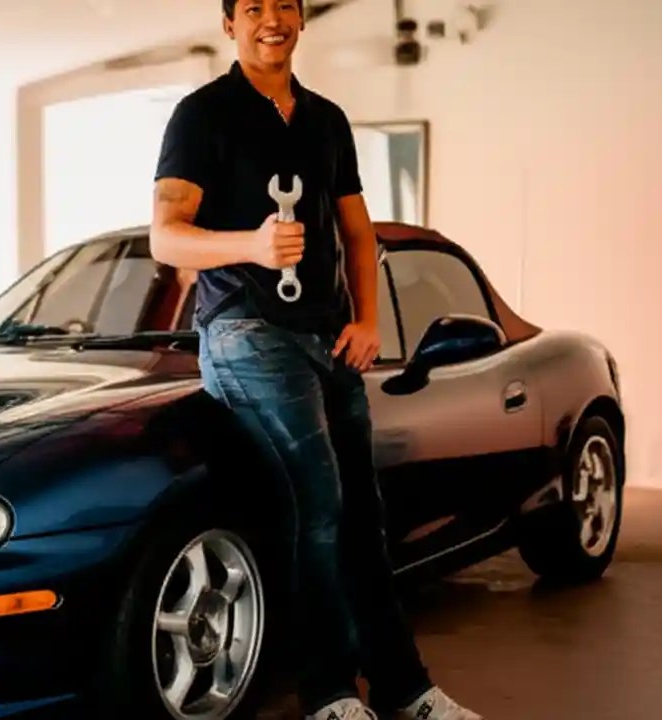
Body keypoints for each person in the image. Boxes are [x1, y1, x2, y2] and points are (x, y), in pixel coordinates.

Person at [149, 2, 485, 719]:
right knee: (319, 506)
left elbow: (360, 234)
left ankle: (406, 689)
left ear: (301, 20)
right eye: (254, 9)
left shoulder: (327, 121)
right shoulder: (201, 114)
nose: (271, 19)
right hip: (246, 331)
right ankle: (329, 695)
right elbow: (167, 238)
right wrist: (250, 245)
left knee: (364, 513)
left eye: (285, 6)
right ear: (230, 25)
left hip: (327, 337)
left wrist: (367, 319)